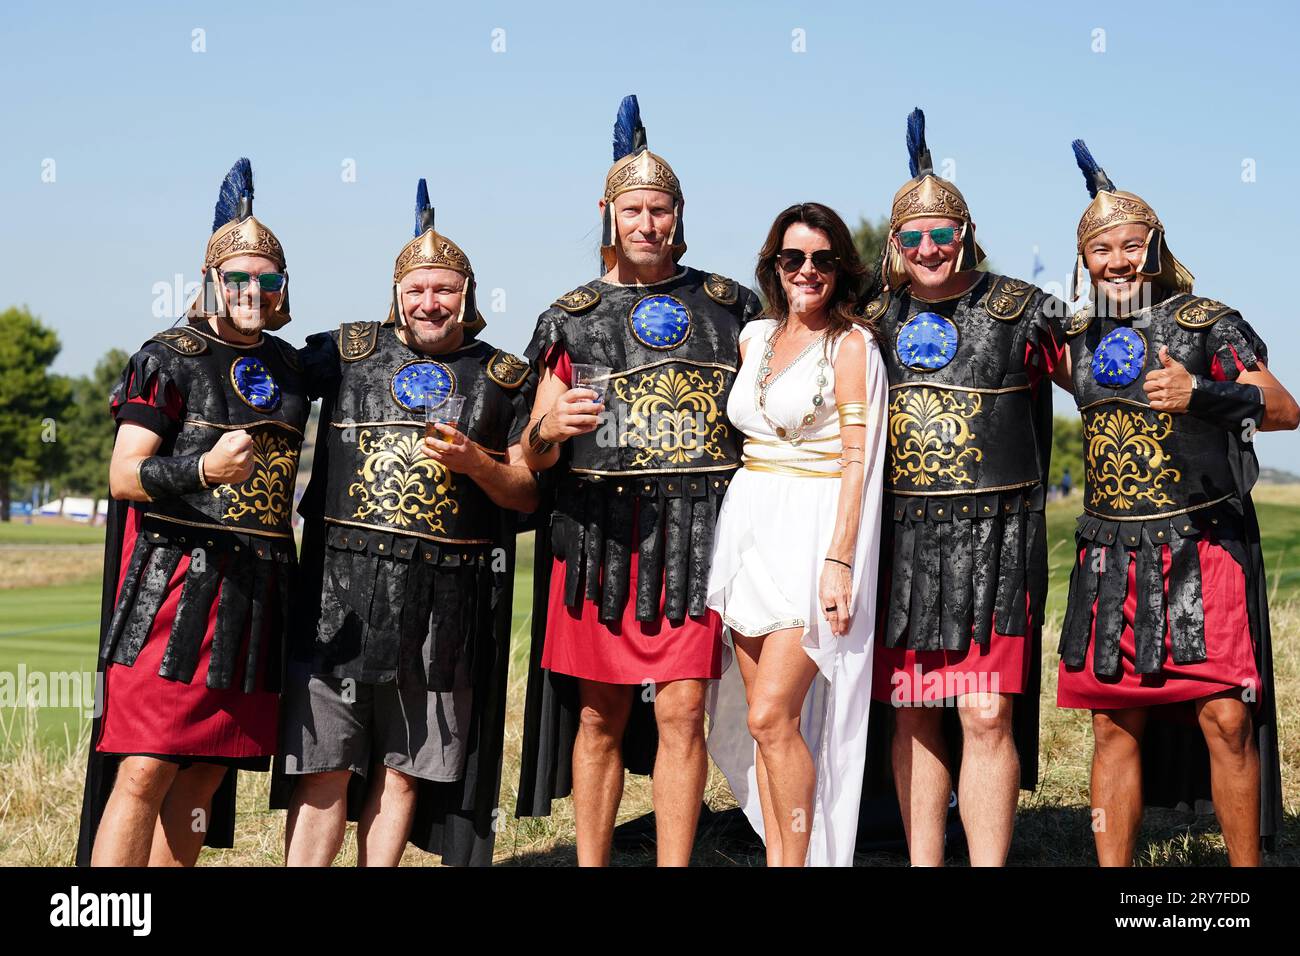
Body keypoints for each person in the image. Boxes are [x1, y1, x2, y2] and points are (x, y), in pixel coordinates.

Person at [515, 94, 761, 866]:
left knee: (684, 712)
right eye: (634, 210)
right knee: (600, 719)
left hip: (703, 539)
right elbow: (533, 449)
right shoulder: (572, 315)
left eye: (660, 210)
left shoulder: (731, 306)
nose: (648, 224)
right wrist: (548, 431)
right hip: (599, 539)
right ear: (608, 214)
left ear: (678, 213)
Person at [272, 180, 537, 866]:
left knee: (401, 766)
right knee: (325, 766)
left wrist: (478, 463)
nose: (430, 303)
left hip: (446, 607)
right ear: (396, 294)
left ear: (467, 294)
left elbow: (527, 493)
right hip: (338, 601)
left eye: (444, 289)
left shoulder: (505, 376)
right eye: (416, 289)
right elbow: (263, 380)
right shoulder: (346, 350)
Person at [1053, 140, 1298, 865]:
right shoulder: (1076, 338)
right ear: (1084, 261)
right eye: (1101, 249)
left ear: (1156, 248)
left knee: (1225, 718)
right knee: (1113, 727)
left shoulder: (1206, 322)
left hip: (1202, 544)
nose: (1118, 260)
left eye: (1132, 245)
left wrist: (1202, 394)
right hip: (1109, 551)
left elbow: (1284, 408)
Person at [77, 159, 308, 866]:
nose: (252, 291)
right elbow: (122, 474)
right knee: (146, 764)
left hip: (260, 593)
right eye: (238, 276)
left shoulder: (295, 367)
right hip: (173, 588)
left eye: (266, 279)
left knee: (208, 768)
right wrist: (203, 469)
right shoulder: (166, 358)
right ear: (210, 281)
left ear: (281, 289)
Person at [862, 109, 1067, 866]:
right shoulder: (871, 319)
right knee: (915, 712)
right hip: (903, 542)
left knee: (983, 713)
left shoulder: (1022, 309)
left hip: (997, 539)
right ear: (893, 246)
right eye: (911, 237)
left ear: (967, 233)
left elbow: (1102, 382)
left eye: (941, 233)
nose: (928, 249)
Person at [705, 202, 887, 866]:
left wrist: (840, 559)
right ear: (774, 265)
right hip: (749, 527)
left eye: (821, 259)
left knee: (770, 717)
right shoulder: (753, 337)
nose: (806, 270)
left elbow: (856, 459)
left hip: (812, 534)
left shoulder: (851, 345)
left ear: (840, 268)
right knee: (767, 725)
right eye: (792, 258)